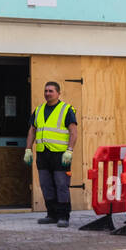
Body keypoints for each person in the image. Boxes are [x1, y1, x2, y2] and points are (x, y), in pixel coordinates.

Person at [24, 81, 78, 227]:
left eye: (51, 91)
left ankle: (63, 216)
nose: (47, 93)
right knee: (46, 184)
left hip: (60, 154)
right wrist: (28, 149)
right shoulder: (39, 110)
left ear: (58, 93)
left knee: (61, 184)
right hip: (43, 154)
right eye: (46, 91)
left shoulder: (66, 110)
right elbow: (32, 130)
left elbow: (73, 132)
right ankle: (52, 214)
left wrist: (69, 150)